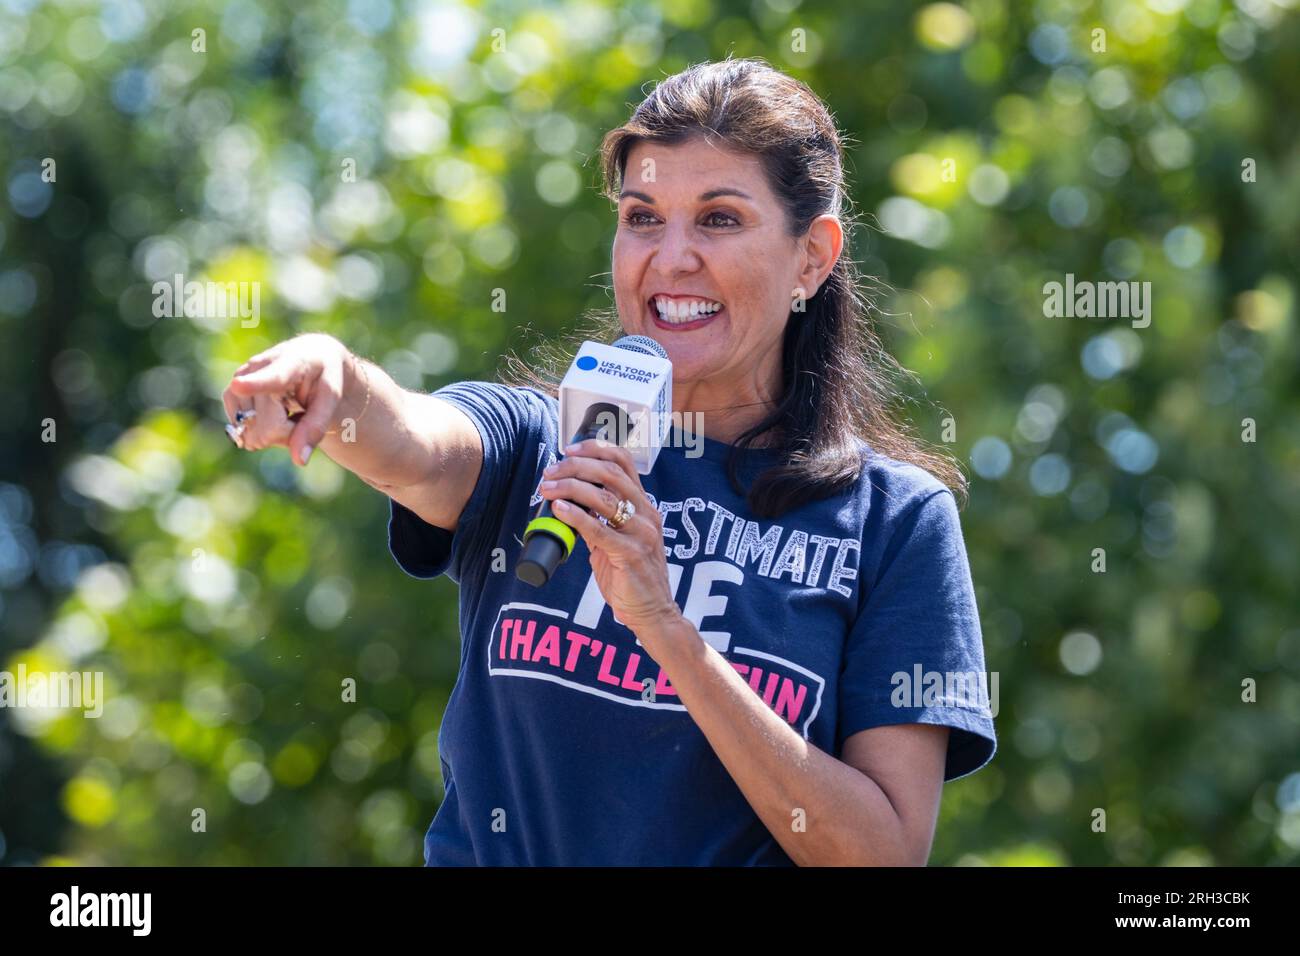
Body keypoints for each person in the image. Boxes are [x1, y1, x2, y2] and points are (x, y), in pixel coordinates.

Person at [222, 57, 996, 866]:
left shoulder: (893, 522)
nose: (671, 258)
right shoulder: (540, 447)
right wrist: (338, 383)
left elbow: (883, 854)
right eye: (642, 217)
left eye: (720, 219)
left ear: (812, 256)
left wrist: (668, 632)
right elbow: (414, 440)